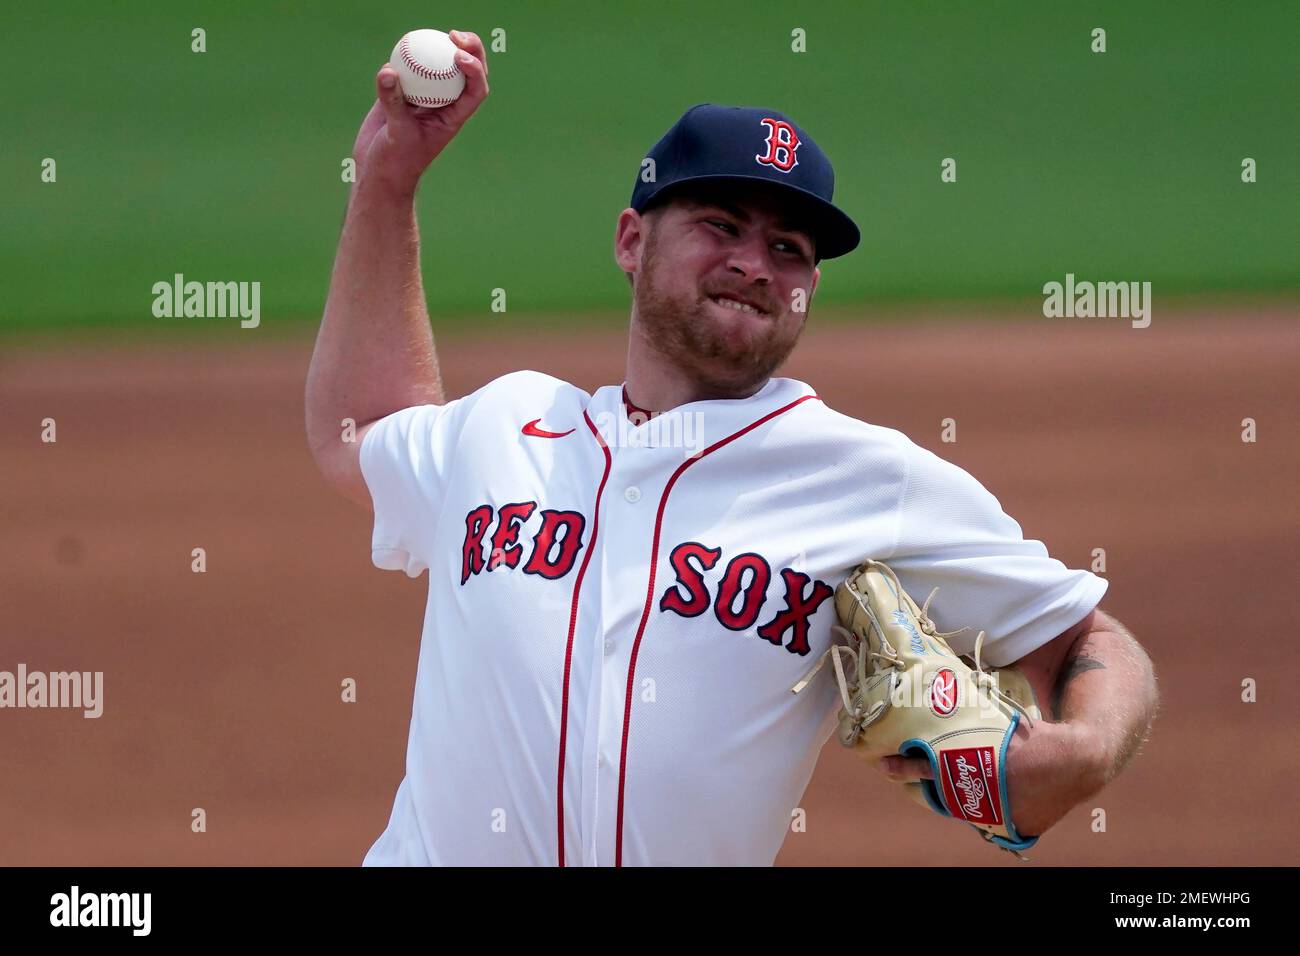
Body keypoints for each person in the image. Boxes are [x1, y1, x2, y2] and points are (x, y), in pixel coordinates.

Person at [305, 30, 1158, 866]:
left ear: (809, 290)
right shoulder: (505, 427)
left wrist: (1081, 750)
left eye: (788, 249)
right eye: (722, 226)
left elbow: (1090, 640)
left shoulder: (868, 478)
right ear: (631, 242)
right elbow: (363, 430)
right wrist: (387, 182)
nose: (755, 264)